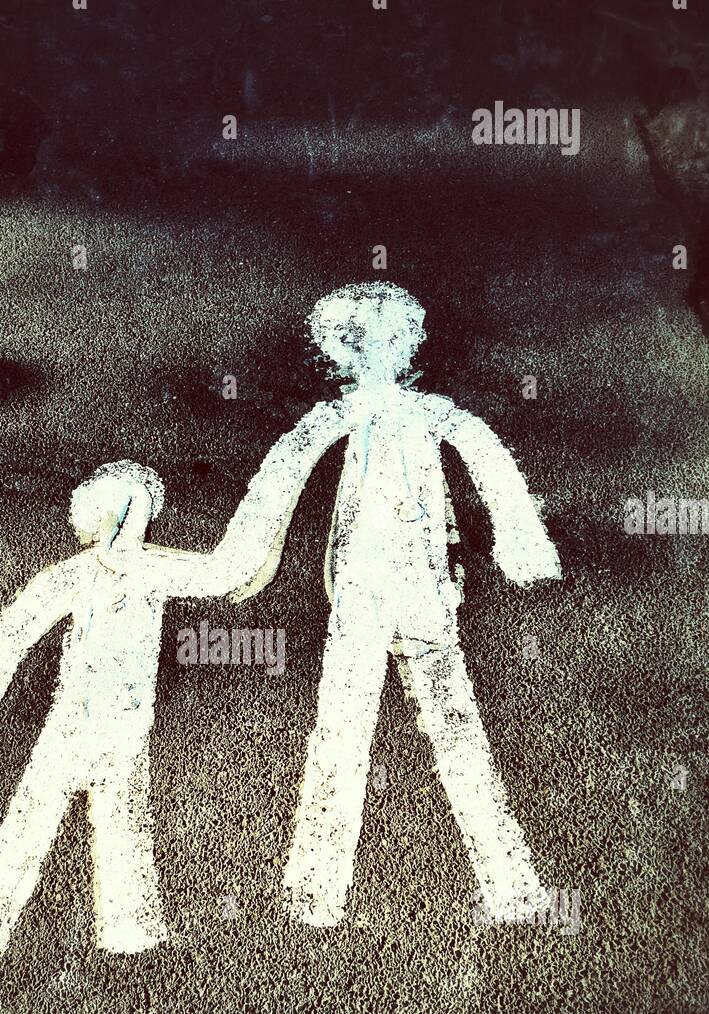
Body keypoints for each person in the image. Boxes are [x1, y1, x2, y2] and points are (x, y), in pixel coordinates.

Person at [200, 282, 562, 927]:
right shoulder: (336, 419)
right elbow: (278, 480)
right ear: (341, 351)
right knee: (344, 728)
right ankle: (314, 889)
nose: (377, 352)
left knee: (449, 728)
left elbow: (493, 465)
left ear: (408, 344)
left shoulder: (434, 415)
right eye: (362, 341)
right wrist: (240, 560)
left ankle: (511, 887)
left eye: (391, 338)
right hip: (362, 593)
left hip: (424, 590)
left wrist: (523, 542)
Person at [0, 458, 282, 955]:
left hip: (118, 718)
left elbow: (223, 570)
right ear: (94, 518)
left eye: (135, 509)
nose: (126, 520)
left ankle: (117, 928)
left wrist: (268, 542)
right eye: (118, 509)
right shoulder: (85, 573)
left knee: (109, 813)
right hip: (79, 715)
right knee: (50, 809)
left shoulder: (146, 568)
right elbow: (13, 633)